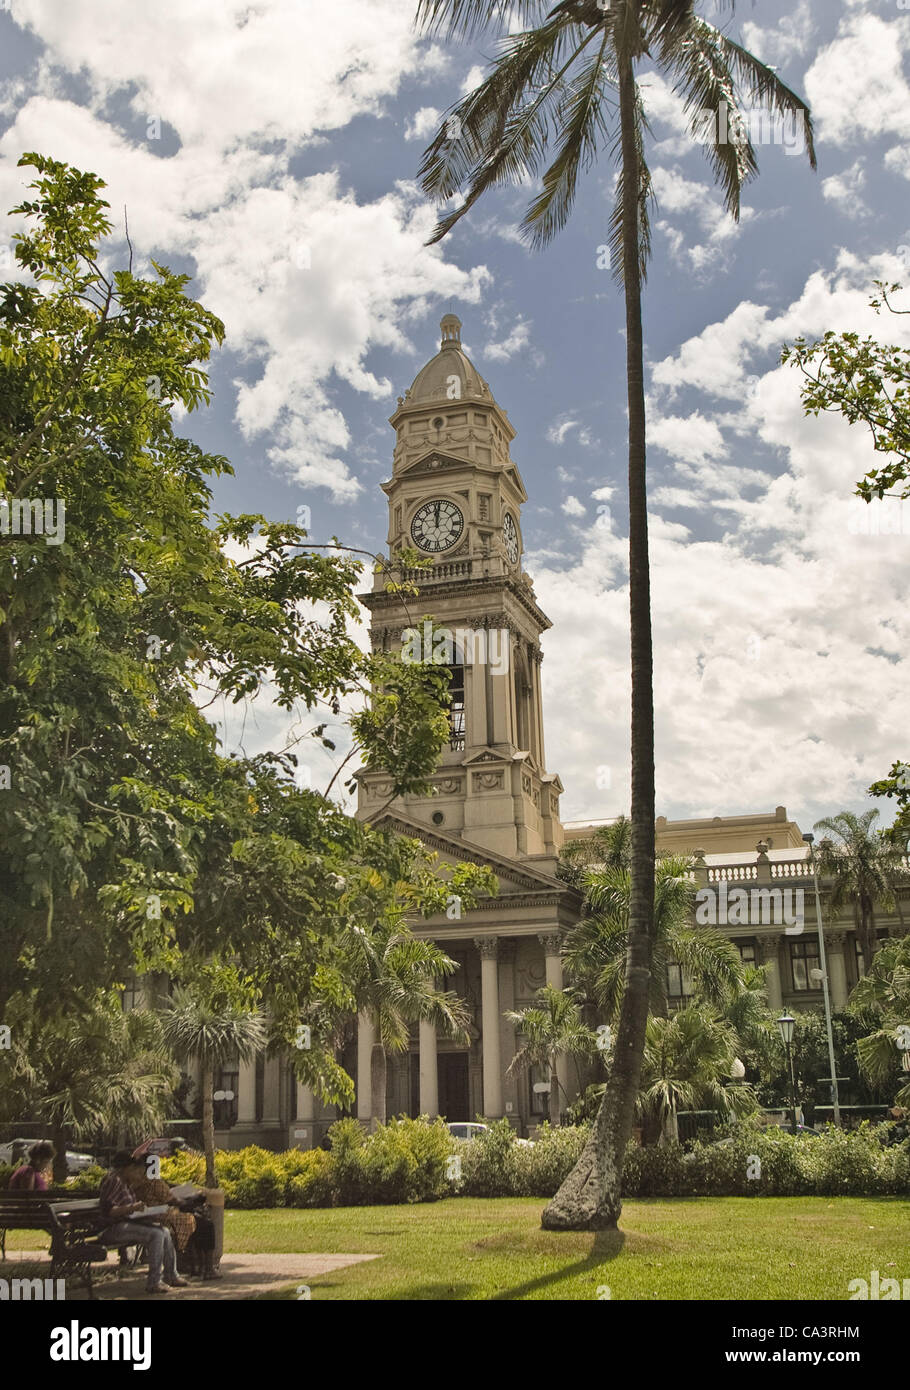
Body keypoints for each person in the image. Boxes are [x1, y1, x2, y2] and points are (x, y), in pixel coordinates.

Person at [98, 1151, 188, 1295]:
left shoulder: (125, 1183)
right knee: (156, 1234)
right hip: (113, 1228)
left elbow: (130, 1211)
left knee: (164, 1231)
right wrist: (132, 1208)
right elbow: (109, 1211)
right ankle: (154, 1282)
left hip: (126, 1224)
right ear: (126, 1169)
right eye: (135, 1170)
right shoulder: (114, 1181)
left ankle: (171, 1275)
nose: (139, 1174)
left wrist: (148, 1214)